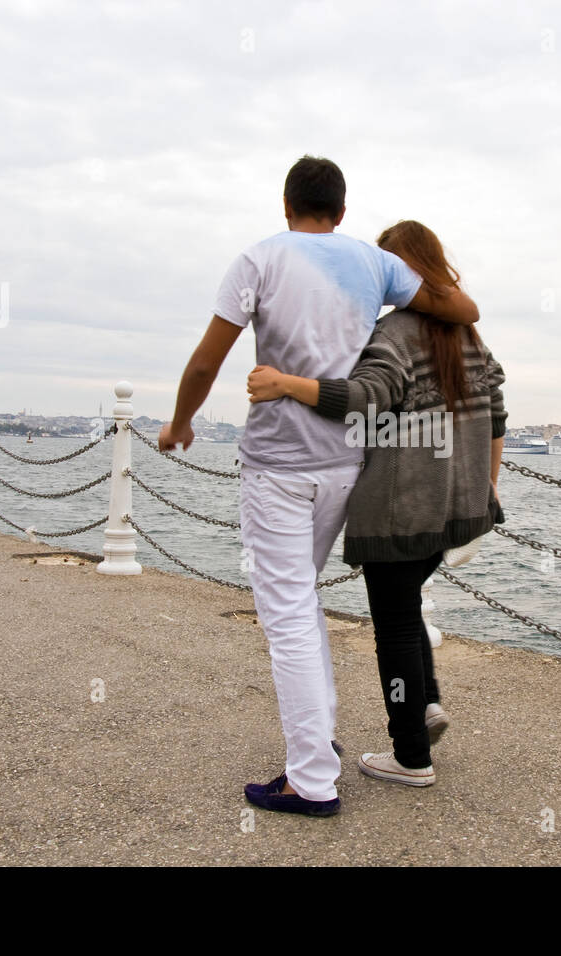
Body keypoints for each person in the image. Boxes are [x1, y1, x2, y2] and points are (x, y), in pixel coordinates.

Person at [157, 158, 479, 817]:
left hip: (278, 466)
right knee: (295, 607)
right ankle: (317, 746)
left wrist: (179, 424)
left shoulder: (259, 260)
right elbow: (464, 307)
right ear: (340, 209)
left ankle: (311, 778)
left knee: (288, 613)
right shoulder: (373, 264)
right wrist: (423, 288)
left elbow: (206, 359)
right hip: (344, 468)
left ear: (287, 205)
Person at [247, 219, 506, 788]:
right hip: (458, 507)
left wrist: (287, 384)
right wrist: (487, 488)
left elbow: (363, 401)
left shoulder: (391, 335)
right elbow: (496, 418)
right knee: (407, 606)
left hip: (401, 509)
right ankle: (427, 703)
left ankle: (411, 756)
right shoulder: (470, 339)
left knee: (392, 625)